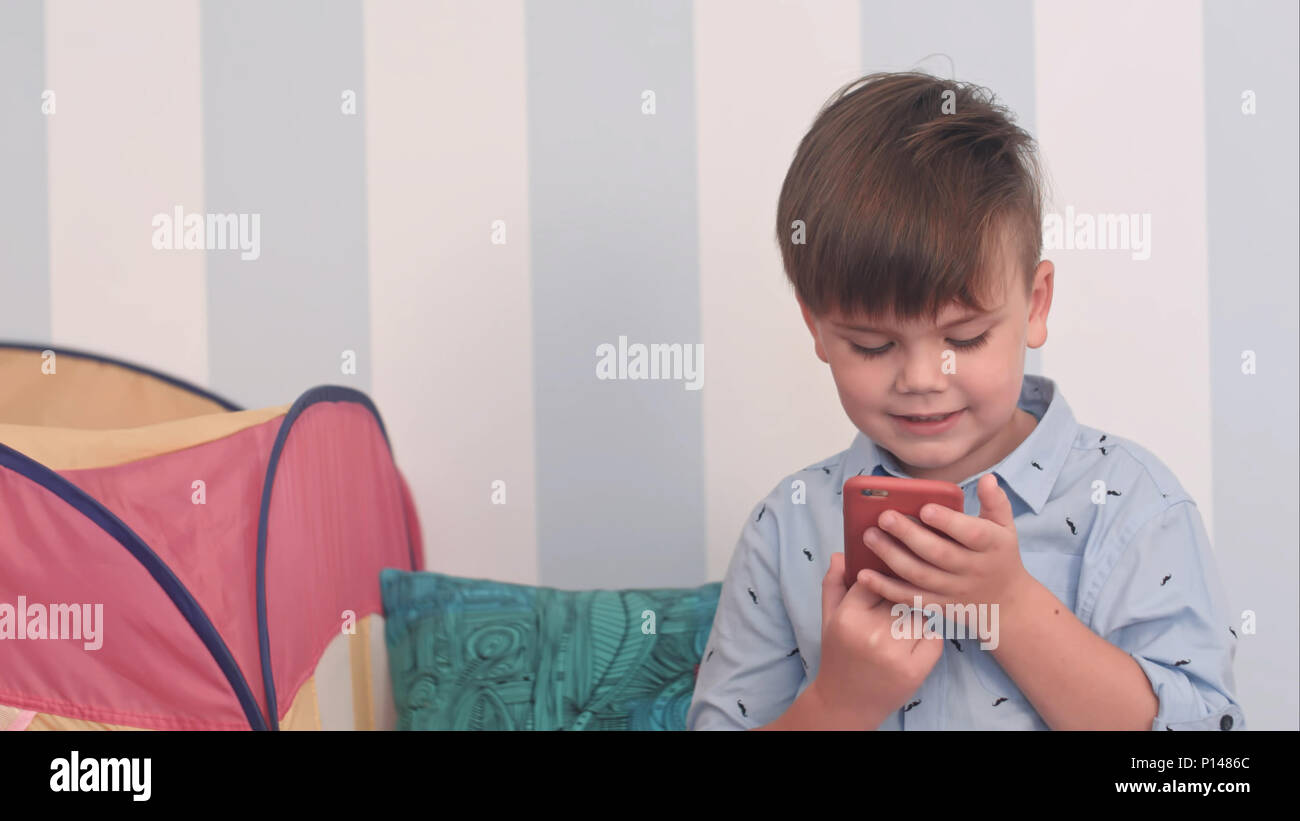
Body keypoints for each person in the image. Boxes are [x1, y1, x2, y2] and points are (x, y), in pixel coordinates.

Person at [686, 72, 1243, 731]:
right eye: (871, 345)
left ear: (1034, 306)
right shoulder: (786, 529)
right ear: (817, 328)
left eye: (966, 336)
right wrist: (839, 701)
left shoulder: (1133, 508)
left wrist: (1010, 607)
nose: (923, 376)